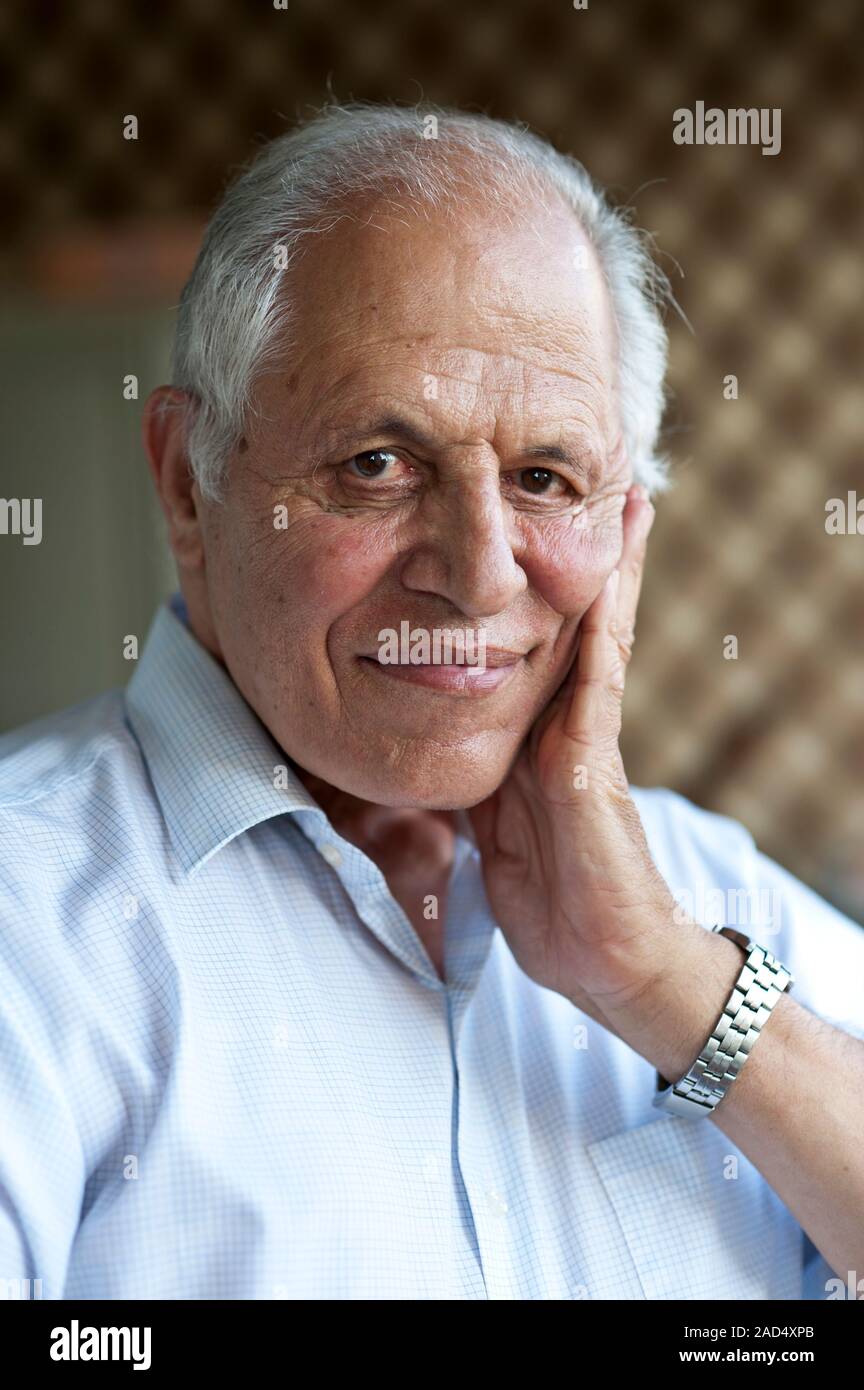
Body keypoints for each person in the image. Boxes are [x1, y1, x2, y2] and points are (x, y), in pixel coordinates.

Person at [1, 102, 862, 1301]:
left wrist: (664, 985)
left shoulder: (712, 906)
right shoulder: (30, 925)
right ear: (188, 485)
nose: (479, 571)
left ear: (626, 533)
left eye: (546, 479)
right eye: (377, 464)